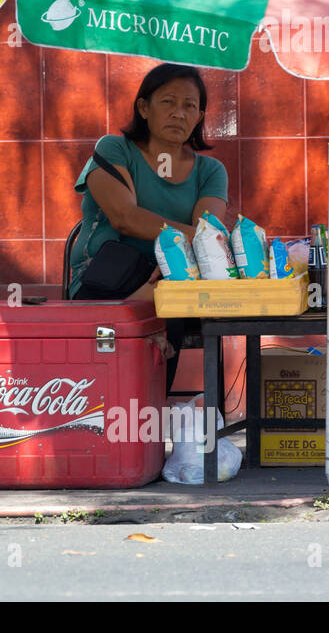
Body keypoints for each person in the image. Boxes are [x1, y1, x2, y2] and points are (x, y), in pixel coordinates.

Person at [68, 63, 229, 389]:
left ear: (199, 117)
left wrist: (173, 268)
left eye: (190, 106)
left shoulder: (210, 171)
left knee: (174, 298)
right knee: (164, 298)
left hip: (175, 289)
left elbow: (208, 241)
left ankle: (145, 419)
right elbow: (124, 218)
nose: (179, 114)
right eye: (168, 102)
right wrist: (185, 247)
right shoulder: (113, 149)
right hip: (103, 284)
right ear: (144, 107)